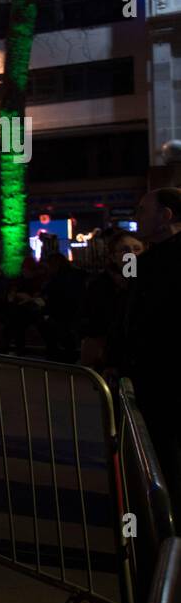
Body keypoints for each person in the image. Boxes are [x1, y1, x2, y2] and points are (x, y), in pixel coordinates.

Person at [122, 188, 181, 497]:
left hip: (165, 378)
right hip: (147, 376)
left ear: (166, 216)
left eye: (143, 211)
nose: (137, 218)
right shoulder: (146, 261)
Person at [79, 230, 143, 377]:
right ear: (113, 257)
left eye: (137, 249)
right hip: (110, 357)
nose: (132, 254)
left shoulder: (148, 281)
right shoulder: (100, 286)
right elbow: (93, 321)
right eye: (125, 250)